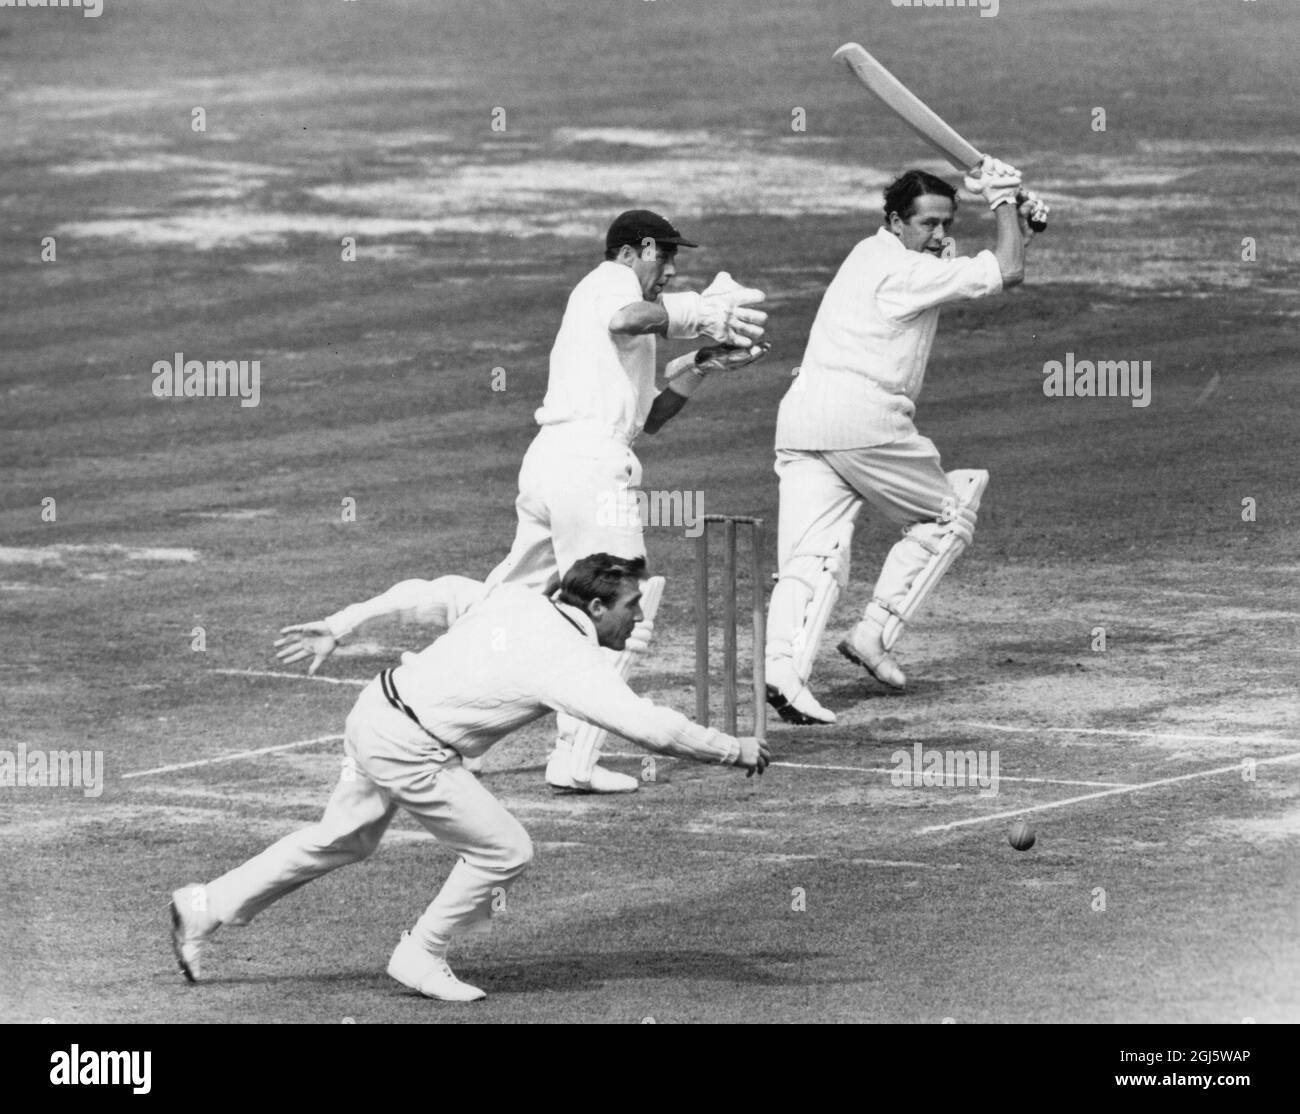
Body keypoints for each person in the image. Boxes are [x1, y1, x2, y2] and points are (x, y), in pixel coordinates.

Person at [276, 210, 770, 794]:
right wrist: (697, 312)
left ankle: (444, 726)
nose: (670, 270)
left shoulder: (622, 332)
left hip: (558, 464)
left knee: (502, 604)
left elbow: (648, 421)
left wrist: (698, 368)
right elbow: (629, 314)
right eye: (665, 257)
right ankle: (575, 760)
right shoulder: (609, 282)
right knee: (624, 607)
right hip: (586, 469)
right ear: (635, 251)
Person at [170, 554, 771, 1002]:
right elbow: (649, 728)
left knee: (344, 837)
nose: (638, 617)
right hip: (412, 747)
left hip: (375, 711)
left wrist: (341, 622)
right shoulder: (571, 661)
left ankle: (204, 905)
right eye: (630, 606)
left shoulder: (512, 598)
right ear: (594, 607)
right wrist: (732, 750)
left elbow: (425, 591)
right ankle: (421, 954)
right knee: (504, 848)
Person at [763, 160, 1047, 724]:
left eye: (947, 223)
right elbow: (1006, 270)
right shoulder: (904, 273)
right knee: (950, 513)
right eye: (928, 224)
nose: (939, 236)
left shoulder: (872, 252)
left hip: (802, 418)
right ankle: (875, 634)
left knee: (811, 557)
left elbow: (990, 256)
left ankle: (781, 673)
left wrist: (1018, 216)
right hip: (864, 419)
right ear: (896, 221)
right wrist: (1003, 203)